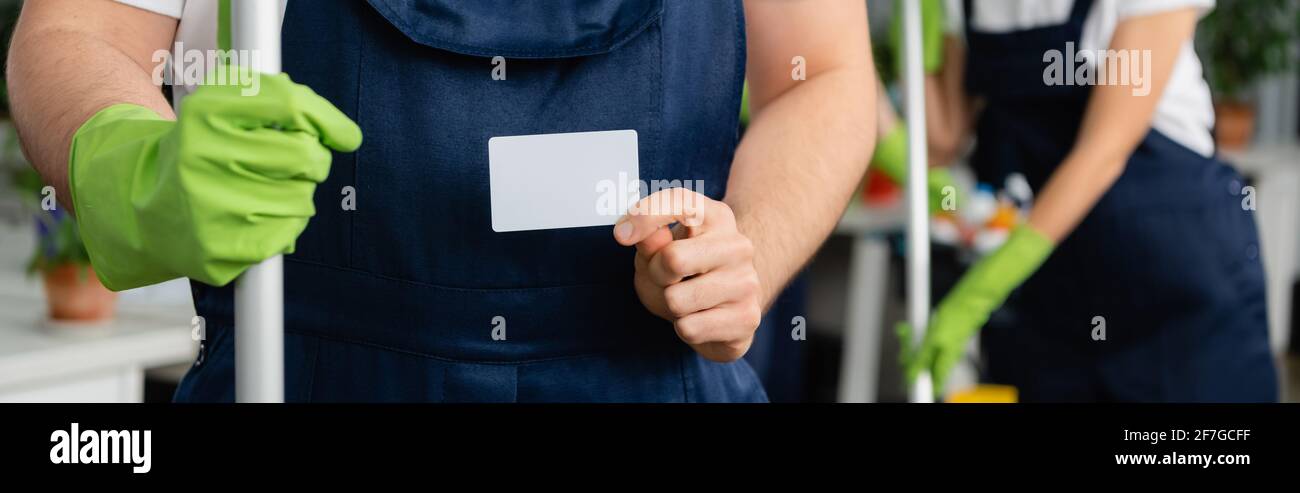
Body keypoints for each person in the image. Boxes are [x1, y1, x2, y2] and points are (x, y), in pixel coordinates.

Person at [8, 0, 876, 401]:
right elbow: (76, 33)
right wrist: (136, 171)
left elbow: (824, 73)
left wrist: (739, 255)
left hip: (656, 376)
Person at [900, 0, 1277, 402]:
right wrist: (913, 34)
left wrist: (982, 290)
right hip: (1059, 279)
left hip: (1177, 272)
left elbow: (1104, 150)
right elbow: (941, 138)